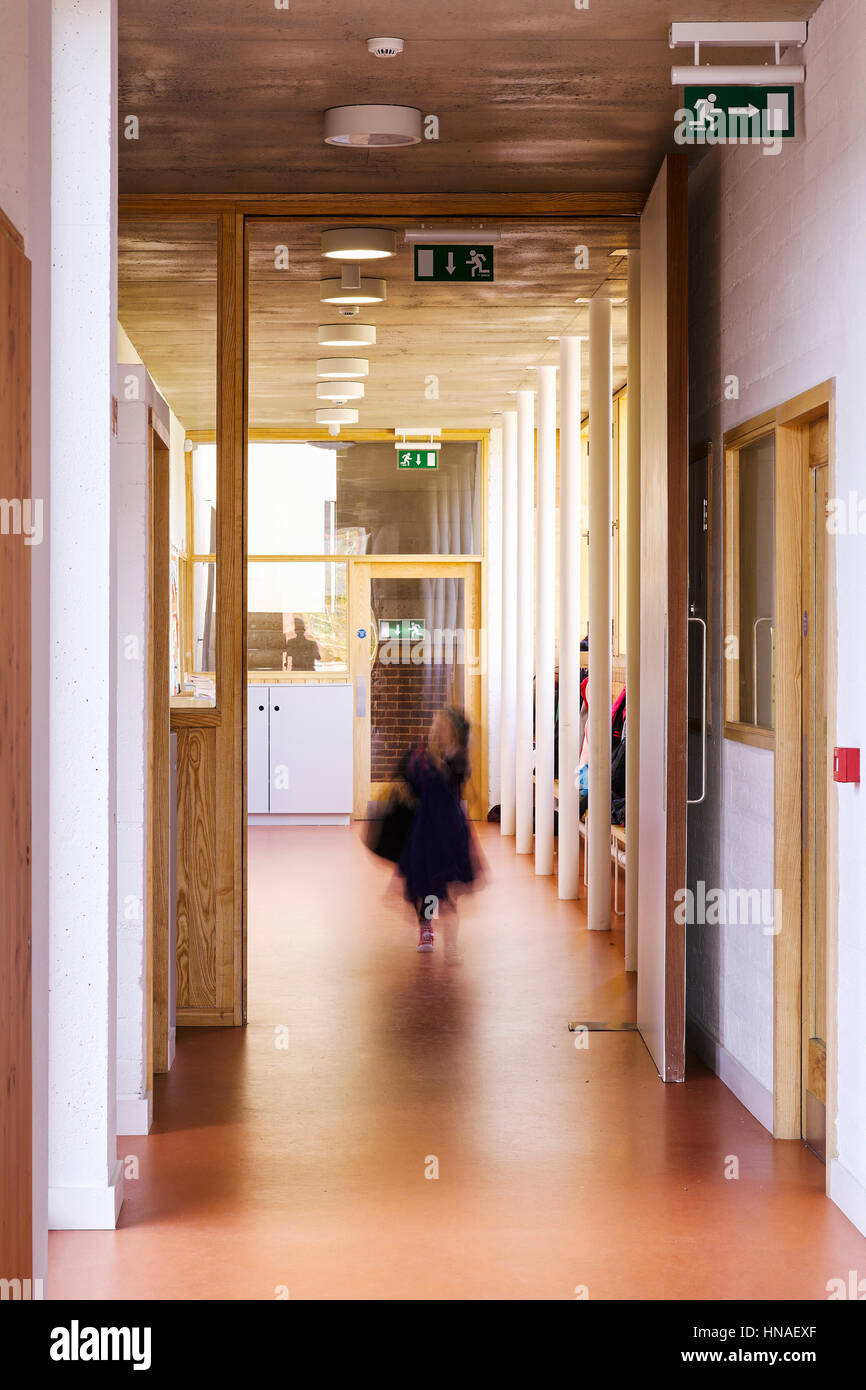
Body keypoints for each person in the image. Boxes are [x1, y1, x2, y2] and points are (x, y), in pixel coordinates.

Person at [397, 706, 479, 963]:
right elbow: (410, 782)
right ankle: (427, 928)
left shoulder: (457, 757)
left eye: (444, 728)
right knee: (428, 887)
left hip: (449, 833)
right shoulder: (421, 754)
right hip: (425, 832)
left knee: (445, 890)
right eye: (437, 727)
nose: (438, 731)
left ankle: (450, 944)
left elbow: (456, 776)